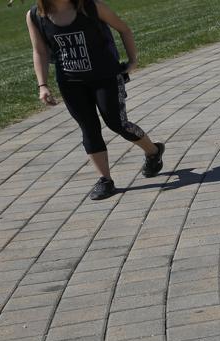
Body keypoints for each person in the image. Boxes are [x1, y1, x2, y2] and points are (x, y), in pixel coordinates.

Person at [26, 0, 166, 201]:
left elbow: (123, 29)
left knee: (117, 123)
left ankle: (153, 151)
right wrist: (42, 85)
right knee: (88, 128)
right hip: (70, 83)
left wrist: (133, 60)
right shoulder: (35, 15)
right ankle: (105, 180)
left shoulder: (90, 6)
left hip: (105, 76)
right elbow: (39, 51)